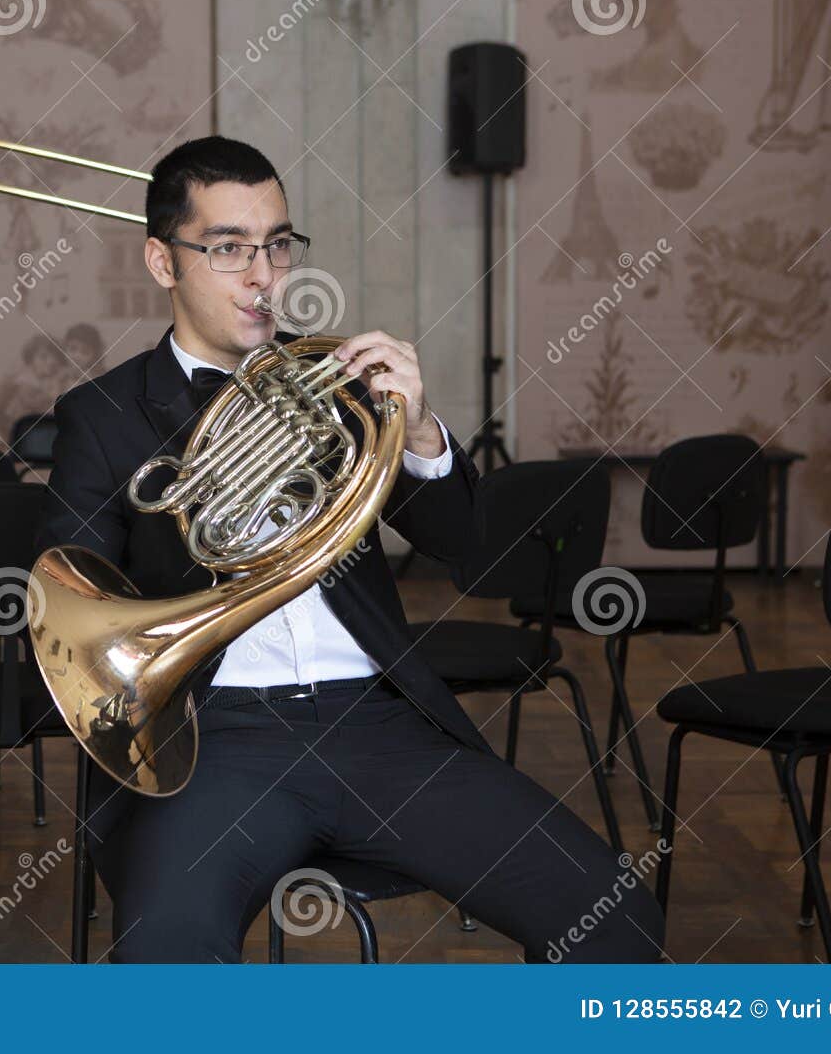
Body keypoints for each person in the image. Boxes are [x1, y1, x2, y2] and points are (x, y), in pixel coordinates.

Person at [36, 136, 665, 963]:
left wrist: (422, 428)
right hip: (215, 740)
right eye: (228, 248)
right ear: (163, 261)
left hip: (377, 723)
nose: (263, 275)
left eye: (278, 245)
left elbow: (462, 545)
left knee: (614, 914)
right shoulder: (103, 414)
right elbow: (79, 608)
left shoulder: (340, 382)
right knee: (169, 955)